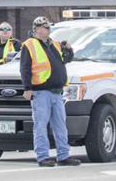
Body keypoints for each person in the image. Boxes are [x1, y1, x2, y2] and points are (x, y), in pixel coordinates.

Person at [20, 16, 81, 167]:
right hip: (41, 92)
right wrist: (27, 88)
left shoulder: (54, 44)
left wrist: (69, 49)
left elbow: (66, 60)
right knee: (40, 125)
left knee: (60, 125)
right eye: (44, 27)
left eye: (48, 27)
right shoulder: (29, 45)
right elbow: (25, 68)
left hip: (56, 92)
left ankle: (63, 156)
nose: (47, 29)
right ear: (36, 29)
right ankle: (42, 157)